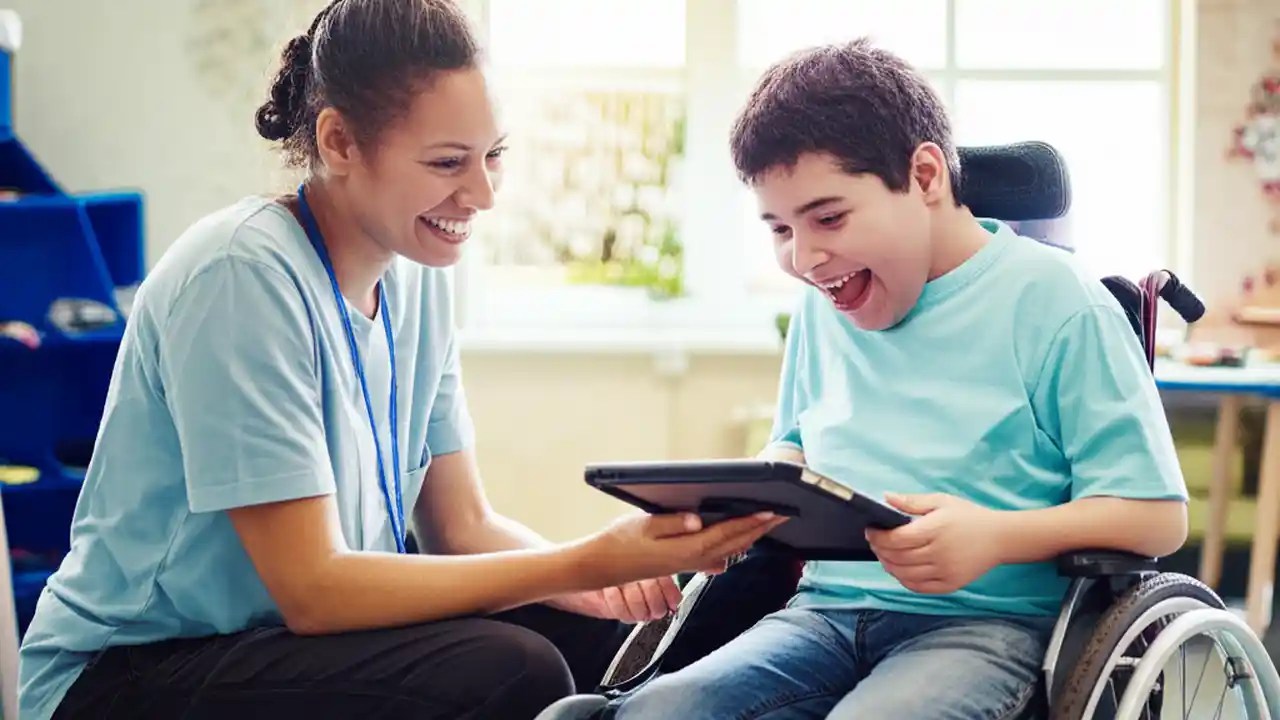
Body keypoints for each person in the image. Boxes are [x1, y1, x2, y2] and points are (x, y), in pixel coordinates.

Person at [16, 2, 785, 718]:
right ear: (339, 142)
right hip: (129, 672)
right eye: (449, 163)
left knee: (604, 647)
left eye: (494, 156)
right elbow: (313, 589)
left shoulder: (412, 279)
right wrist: (581, 562)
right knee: (515, 668)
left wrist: (604, 577)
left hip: (284, 644)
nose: (482, 195)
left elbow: (462, 526)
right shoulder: (238, 276)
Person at [612, 38, 1189, 720]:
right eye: (778, 229)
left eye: (828, 217)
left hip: (984, 630)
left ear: (924, 177)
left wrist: (996, 536)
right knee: (657, 710)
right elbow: (793, 450)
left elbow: (1159, 517)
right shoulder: (821, 309)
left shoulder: (1058, 303)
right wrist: (713, 511)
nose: (804, 257)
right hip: (821, 617)